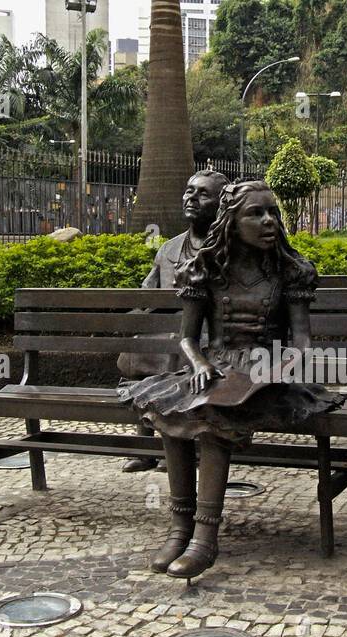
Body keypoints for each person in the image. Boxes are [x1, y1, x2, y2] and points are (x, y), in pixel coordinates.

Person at [118, 180, 344, 578]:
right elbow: (187, 338)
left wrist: (277, 368)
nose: (269, 221)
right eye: (256, 214)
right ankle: (179, 528)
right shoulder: (203, 270)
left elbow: (303, 342)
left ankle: (205, 539)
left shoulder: (290, 271)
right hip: (217, 367)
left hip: (271, 372)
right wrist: (200, 363)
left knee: (211, 419)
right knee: (171, 416)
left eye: (272, 212)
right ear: (231, 222)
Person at [119, 169, 228, 473]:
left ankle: (182, 445)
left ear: (222, 205)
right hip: (169, 334)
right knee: (142, 347)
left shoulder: (229, 249)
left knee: (177, 351)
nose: (192, 198)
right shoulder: (168, 249)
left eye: (203, 193)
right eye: (189, 191)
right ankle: (146, 448)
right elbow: (146, 295)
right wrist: (133, 325)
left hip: (209, 335)